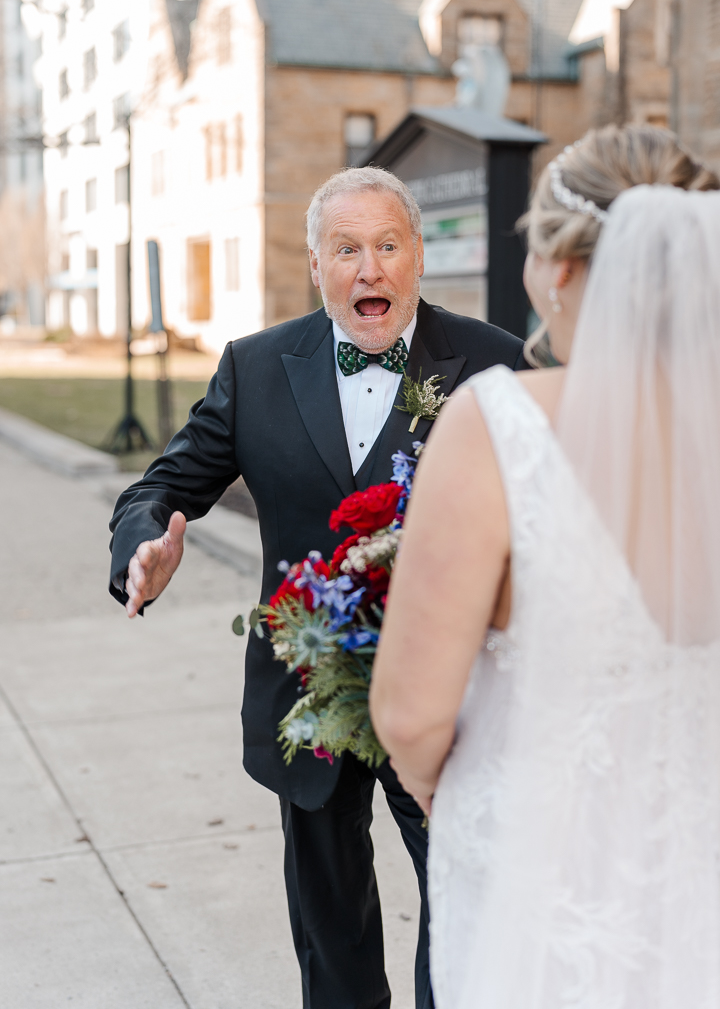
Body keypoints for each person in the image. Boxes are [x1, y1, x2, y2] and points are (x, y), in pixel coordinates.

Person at [108, 166, 527, 1009]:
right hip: (307, 697)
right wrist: (145, 543)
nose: (370, 269)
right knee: (331, 935)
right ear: (315, 264)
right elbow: (160, 488)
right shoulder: (256, 367)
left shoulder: (494, 363)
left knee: (469, 920)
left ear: (417, 256)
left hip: (452, 700)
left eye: (387, 246)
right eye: (346, 249)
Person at [370, 125, 720, 1008]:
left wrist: (460, 799)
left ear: (558, 269)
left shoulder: (499, 427)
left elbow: (411, 715)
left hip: (548, 885)